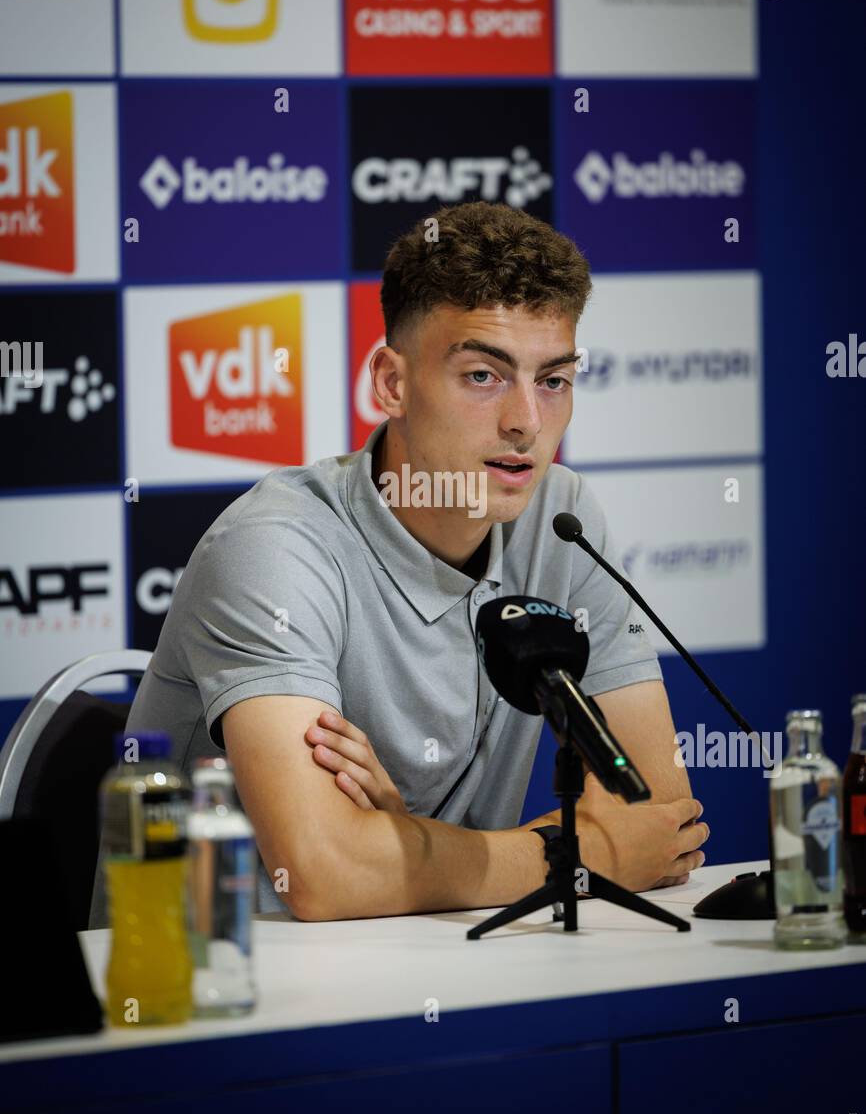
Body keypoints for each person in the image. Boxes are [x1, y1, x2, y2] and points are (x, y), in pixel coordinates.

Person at [89, 201, 708, 927]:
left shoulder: (561, 520)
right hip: (213, 990)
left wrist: (407, 845)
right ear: (391, 383)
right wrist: (581, 857)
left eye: (554, 380)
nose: (526, 422)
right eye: (484, 375)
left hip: (439, 959)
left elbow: (658, 813)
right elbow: (324, 873)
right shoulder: (275, 548)